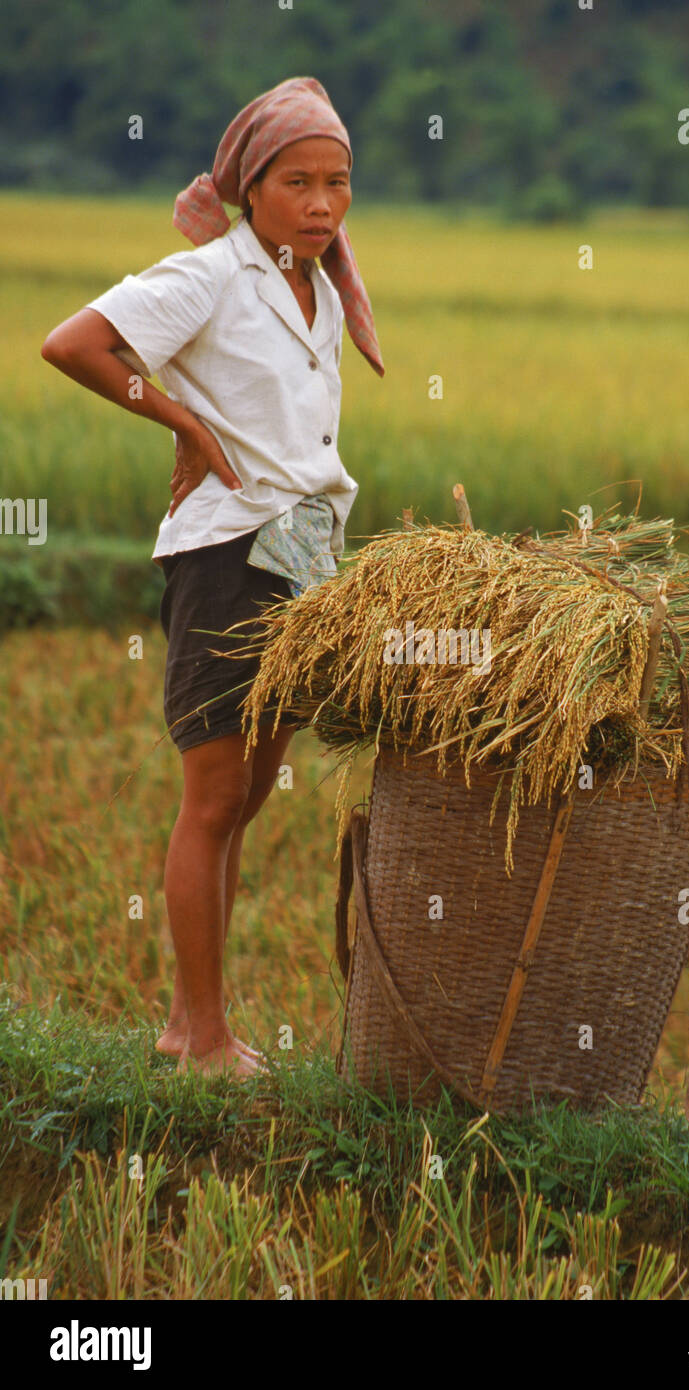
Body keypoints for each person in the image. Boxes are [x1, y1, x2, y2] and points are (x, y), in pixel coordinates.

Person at [40, 77, 384, 1078]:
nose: (322, 205)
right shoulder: (213, 277)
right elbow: (76, 343)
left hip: (304, 557)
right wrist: (181, 419)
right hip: (228, 552)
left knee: (253, 793)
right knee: (214, 793)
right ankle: (196, 1032)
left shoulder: (313, 286)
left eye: (339, 183)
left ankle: (205, 1024)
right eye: (298, 184)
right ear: (252, 188)